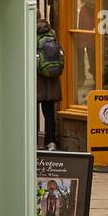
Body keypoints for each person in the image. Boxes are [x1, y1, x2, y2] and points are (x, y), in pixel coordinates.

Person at [37, 16, 64, 150]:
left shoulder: (32, 36)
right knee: (49, 114)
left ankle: (33, 141)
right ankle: (51, 141)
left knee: (31, 113)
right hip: (53, 81)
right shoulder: (53, 35)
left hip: (38, 82)